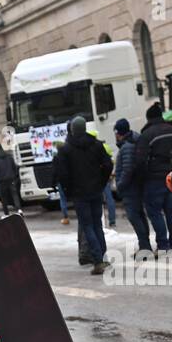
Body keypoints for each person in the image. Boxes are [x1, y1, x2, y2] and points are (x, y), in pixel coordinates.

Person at [53, 115, 114, 275]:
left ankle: (98, 261)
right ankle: (102, 256)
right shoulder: (96, 145)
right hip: (95, 191)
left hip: (79, 194)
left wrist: (68, 190)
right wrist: (101, 182)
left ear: (72, 130)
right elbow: (108, 164)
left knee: (87, 226)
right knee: (97, 225)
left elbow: (62, 174)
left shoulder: (66, 149)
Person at [136, 101, 172, 252]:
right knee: (171, 211)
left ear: (149, 118)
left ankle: (163, 245)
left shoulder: (146, 135)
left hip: (154, 180)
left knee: (155, 213)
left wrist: (141, 180)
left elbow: (140, 161)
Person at [113, 118, 152, 256]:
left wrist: (120, 184)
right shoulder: (132, 142)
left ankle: (145, 247)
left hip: (130, 188)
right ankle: (144, 245)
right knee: (139, 215)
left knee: (135, 216)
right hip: (135, 187)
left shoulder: (127, 147)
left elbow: (128, 169)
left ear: (119, 133)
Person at [0, 144, 21, 216]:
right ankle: (19, 209)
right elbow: (14, 167)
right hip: (11, 178)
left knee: (3, 196)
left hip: (2, 180)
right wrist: (14, 175)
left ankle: (6, 212)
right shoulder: (9, 156)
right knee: (14, 194)